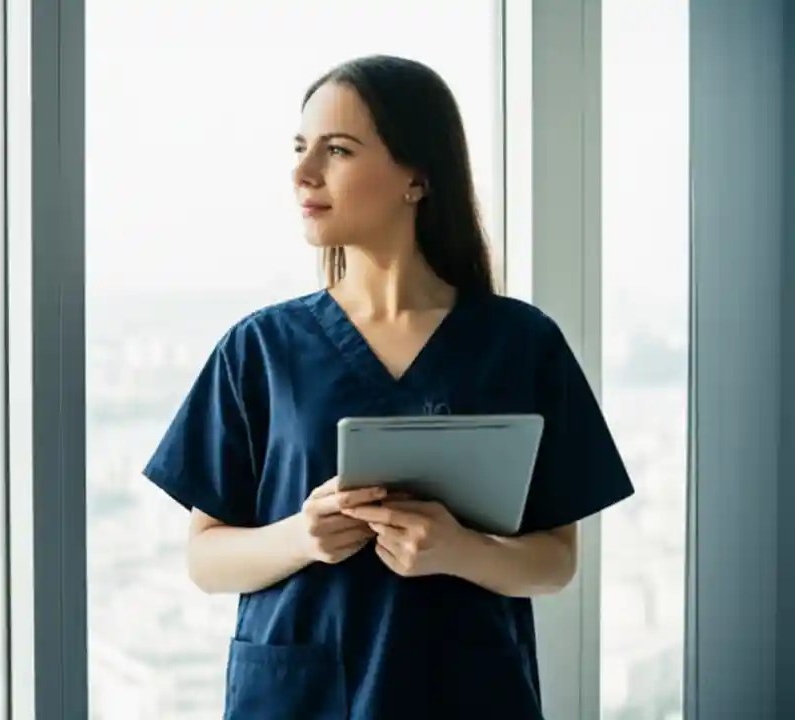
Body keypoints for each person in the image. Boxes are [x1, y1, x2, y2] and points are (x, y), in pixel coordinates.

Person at [141, 55, 635, 719]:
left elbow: (554, 562)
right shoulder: (259, 350)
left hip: (468, 691)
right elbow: (205, 559)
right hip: (303, 695)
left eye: (338, 150)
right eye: (299, 148)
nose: (302, 173)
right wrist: (301, 537)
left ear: (417, 177)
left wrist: (461, 551)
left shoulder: (520, 345)